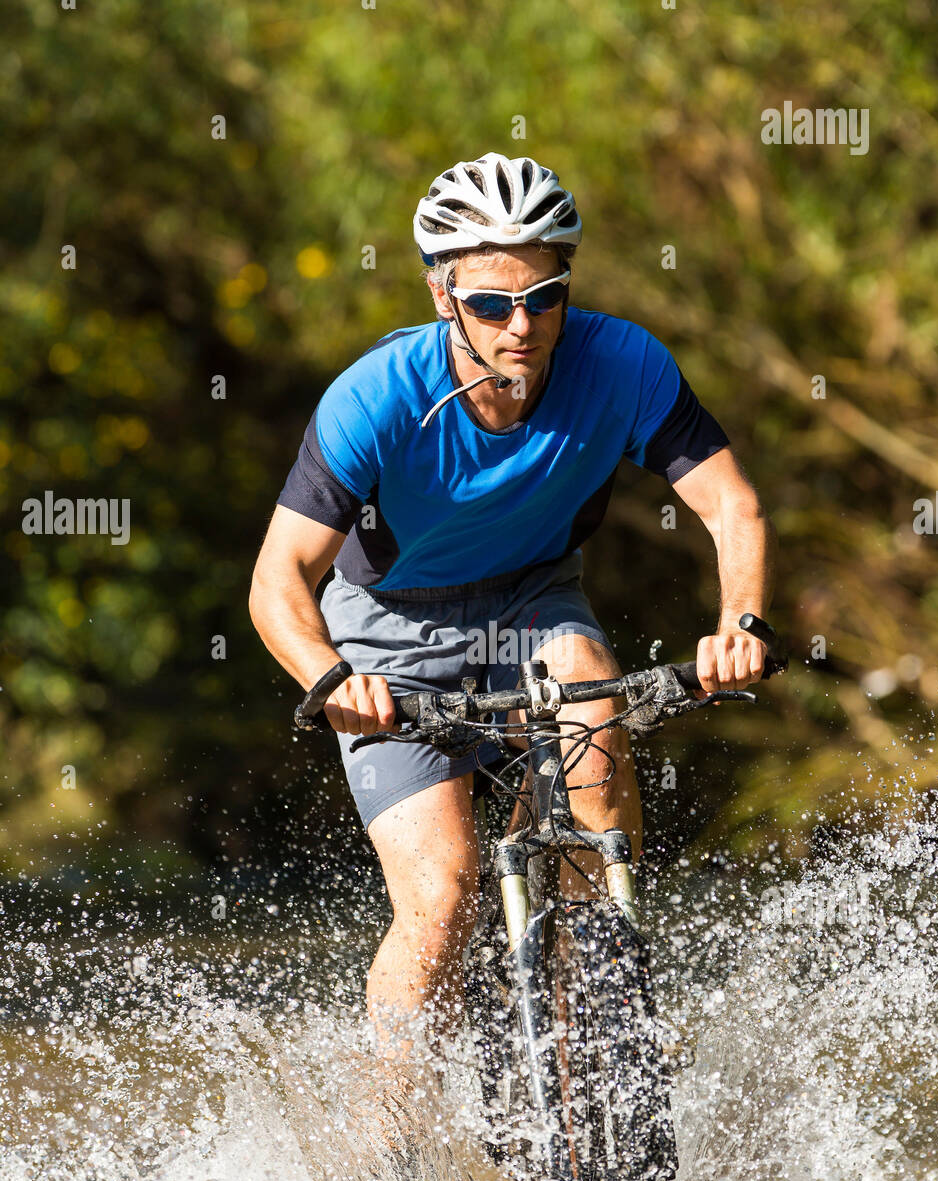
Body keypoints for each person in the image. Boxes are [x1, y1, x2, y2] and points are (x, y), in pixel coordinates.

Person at [250, 152, 776, 1060]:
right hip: (388, 627)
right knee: (442, 896)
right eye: (492, 304)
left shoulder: (625, 364)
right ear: (442, 295)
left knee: (592, 698)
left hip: (535, 597)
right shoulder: (376, 397)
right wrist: (328, 676)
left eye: (545, 296)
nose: (523, 325)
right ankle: (394, 1125)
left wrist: (742, 623)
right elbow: (276, 580)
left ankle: (595, 1021)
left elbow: (732, 505)